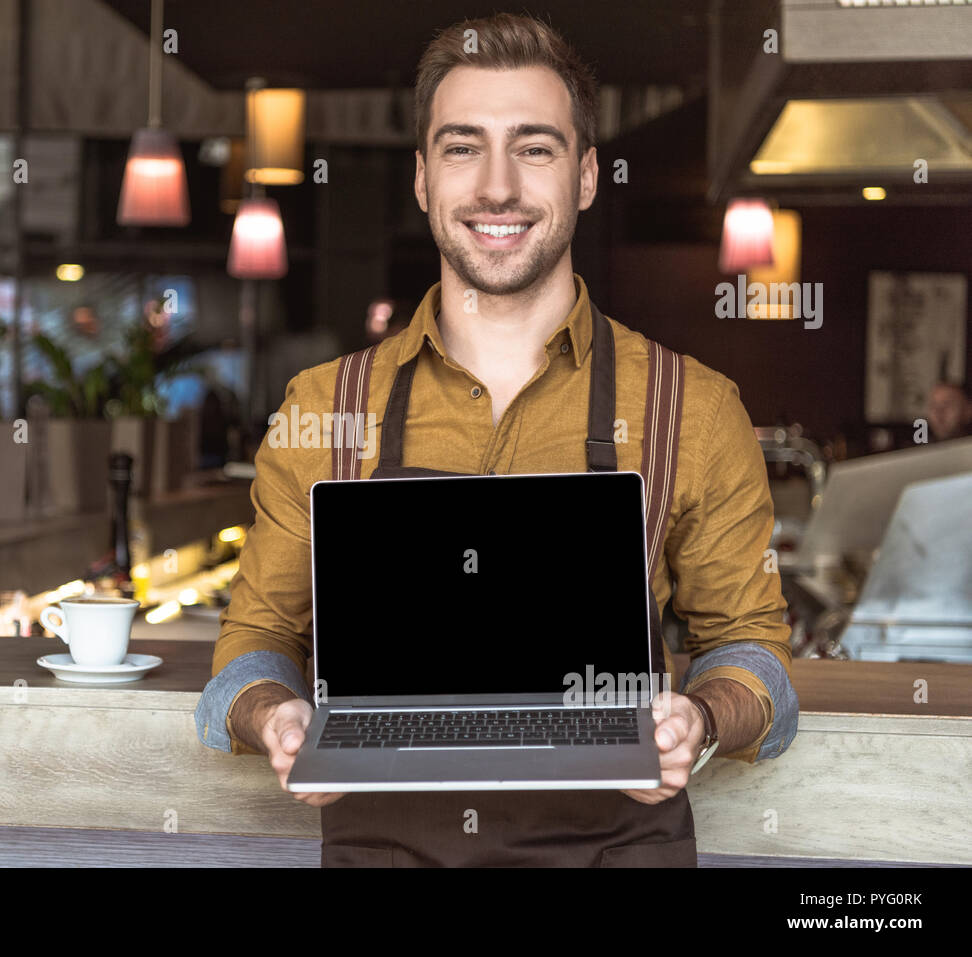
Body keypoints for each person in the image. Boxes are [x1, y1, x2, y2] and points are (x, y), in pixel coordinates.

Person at [195, 12, 797, 867]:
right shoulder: (325, 406)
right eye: (462, 146)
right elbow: (249, 650)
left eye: (536, 147)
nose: (498, 186)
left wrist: (699, 719)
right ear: (421, 177)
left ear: (587, 175)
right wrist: (275, 715)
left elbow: (757, 658)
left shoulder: (690, 406)